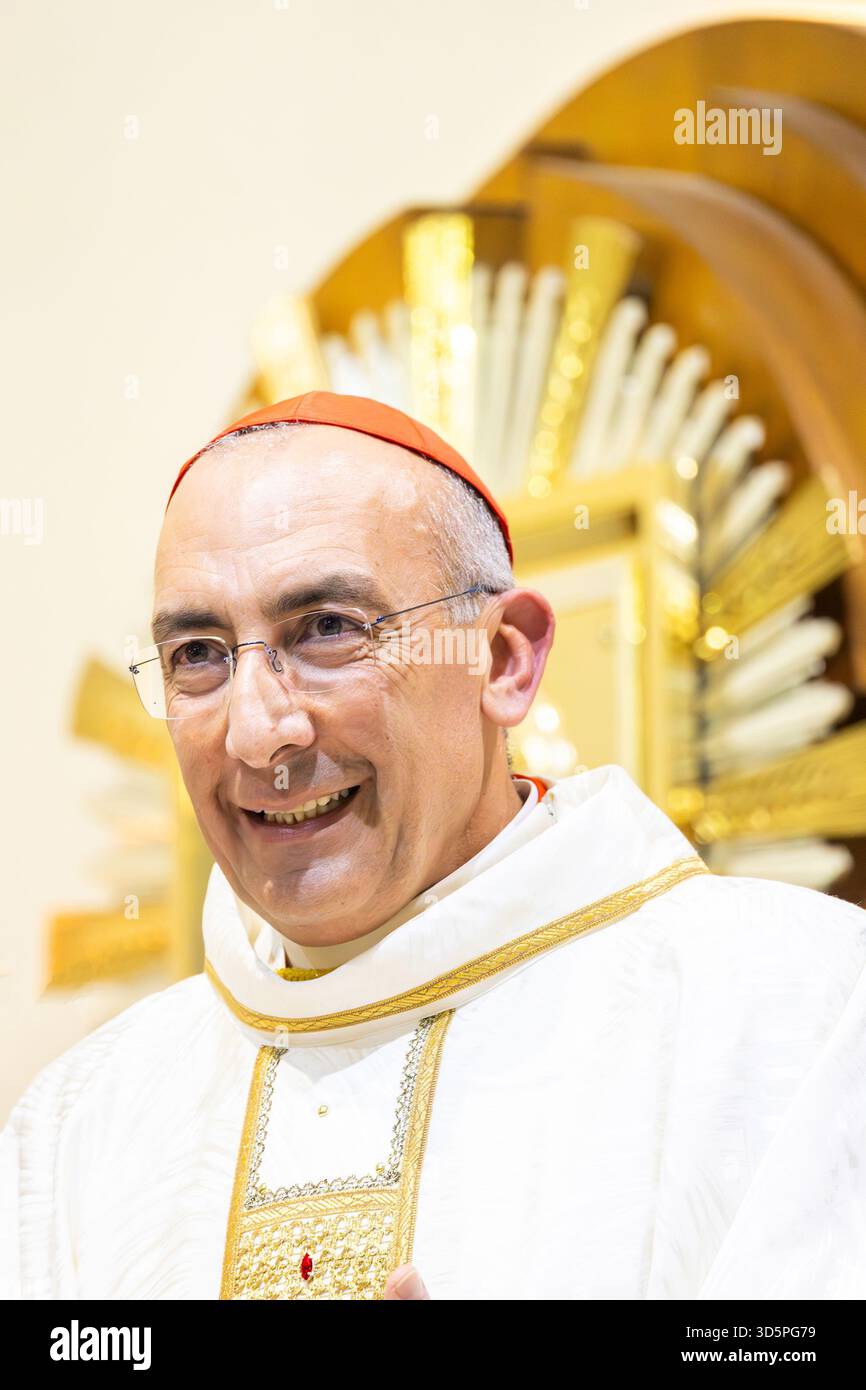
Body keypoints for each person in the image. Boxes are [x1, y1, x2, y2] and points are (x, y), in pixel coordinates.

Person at [2, 391, 865, 1300]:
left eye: (329, 629)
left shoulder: (796, 1013)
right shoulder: (76, 1126)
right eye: (199, 654)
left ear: (502, 660)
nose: (258, 733)